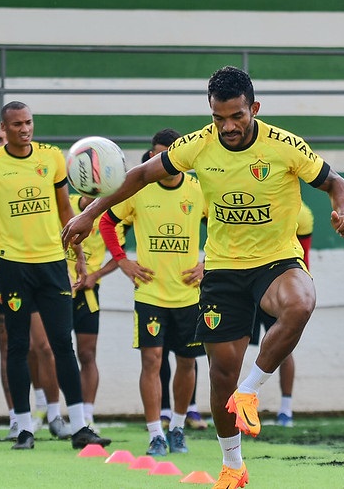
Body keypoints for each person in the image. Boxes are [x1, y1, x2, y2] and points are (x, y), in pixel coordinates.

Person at [62, 66, 344, 488]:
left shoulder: (285, 146)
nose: (228, 126)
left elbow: (336, 183)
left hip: (275, 259)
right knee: (221, 375)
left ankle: (252, 390)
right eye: (219, 117)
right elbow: (142, 175)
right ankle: (233, 466)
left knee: (301, 302)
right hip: (222, 267)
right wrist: (90, 213)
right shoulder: (199, 144)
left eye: (237, 116)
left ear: (254, 108)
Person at [0, 100, 111, 450]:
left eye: (28, 122)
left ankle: (79, 426)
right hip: (10, 267)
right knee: (17, 347)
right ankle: (23, 428)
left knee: (63, 344)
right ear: (5, 125)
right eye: (16, 124)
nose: (24, 129)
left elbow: (66, 209)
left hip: (51, 264)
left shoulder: (50, 158)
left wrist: (78, 257)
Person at [98, 129, 207, 456]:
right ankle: (155, 434)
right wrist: (121, 261)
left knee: (187, 364)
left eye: (168, 155)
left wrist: (208, 264)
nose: (162, 161)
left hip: (188, 295)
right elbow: (106, 222)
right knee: (152, 360)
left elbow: (223, 227)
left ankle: (177, 427)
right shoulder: (138, 189)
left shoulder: (199, 189)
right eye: (157, 155)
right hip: (149, 295)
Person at [0, 123, 71, 441]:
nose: (3, 143)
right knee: (10, 347)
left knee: (43, 345)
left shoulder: (41, 168)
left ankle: (53, 413)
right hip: (4, 270)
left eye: (6, 137)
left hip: (39, 269)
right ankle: (18, 419)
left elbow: (60, 210)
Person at [249, 201, 314, 427]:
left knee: (283, 348)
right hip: (243, 279)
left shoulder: (302, 213)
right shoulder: (250, 201)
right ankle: (230, 405)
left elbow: (303, 259)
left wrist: (299, 291)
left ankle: (286, 409)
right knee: (230, 349)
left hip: (275, 283)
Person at [66, 192, 120, 430]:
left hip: (87, 293)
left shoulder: (108, 216)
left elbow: (119, 257)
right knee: (46, 351)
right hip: (57, 291)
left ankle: (87, 415)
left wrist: (95, 275)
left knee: (87, 354)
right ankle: (46, 411)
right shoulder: (64, 204)